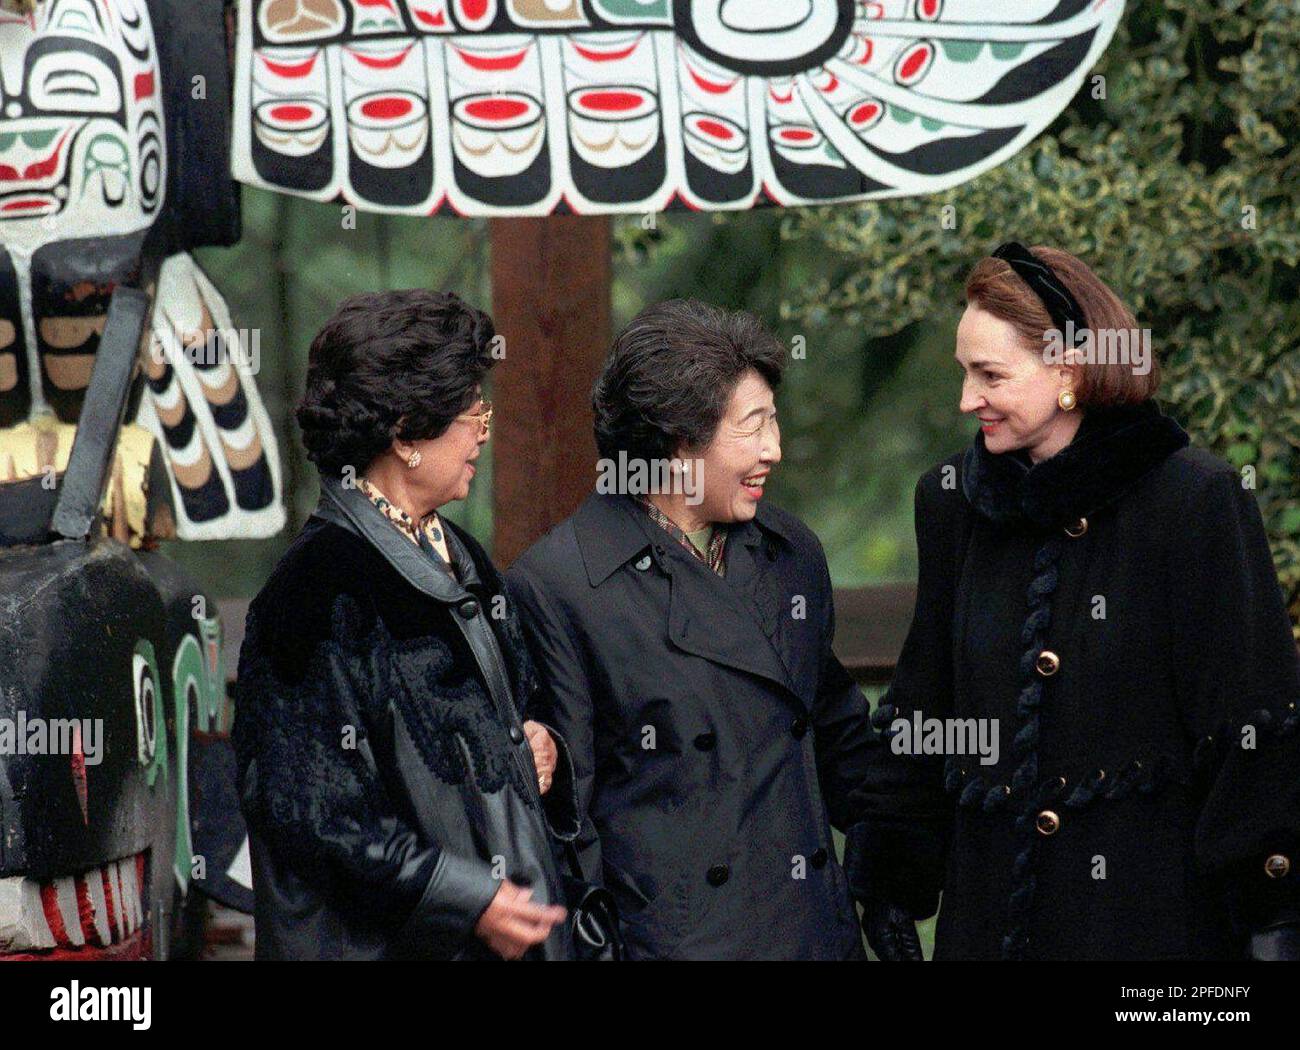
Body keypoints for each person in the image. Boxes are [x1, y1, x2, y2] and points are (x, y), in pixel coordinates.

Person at [849, 243, 1300, 960]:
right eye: (964, 373)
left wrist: (1274, 914)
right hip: (990, 926)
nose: (967, 400)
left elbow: (1249, 723)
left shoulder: (1193, 501)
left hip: (1147, 926)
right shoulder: (952, 502)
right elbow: (927, 701)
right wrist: (893, 872)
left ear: (1068, 369)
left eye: (989, 374)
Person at [507, 299, 889, 960]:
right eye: (754, 426)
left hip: (813, 934)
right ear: (679, 441)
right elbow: (569, 828)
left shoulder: (789, 549)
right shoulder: (561, 584)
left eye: (774, 419)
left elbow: (837, 737)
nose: (776, 448)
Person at [232, 289, 577, 960]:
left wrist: (541, 745)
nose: (484, 426)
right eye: (470, 408)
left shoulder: (459, 553)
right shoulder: (314, 589)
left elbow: (519, 713)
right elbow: (309, 811)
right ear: (404, 433)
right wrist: (463, 896)